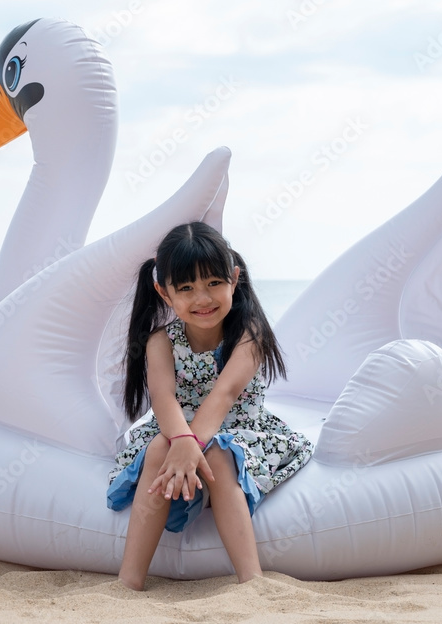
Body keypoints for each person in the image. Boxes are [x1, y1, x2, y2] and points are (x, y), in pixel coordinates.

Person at [107, 221, 314, 590]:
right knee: (159, 448)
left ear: (234, 279)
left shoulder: (249, 334)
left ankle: (251, 579)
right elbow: (163, 398)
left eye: (214, 283)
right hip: (177, 430)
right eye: (186, 288)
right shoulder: (161, 341)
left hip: (237, 431)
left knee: (219, 453)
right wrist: (181, 442)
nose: (202, 299)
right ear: (164, 292)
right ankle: (129, 580)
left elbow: (224, 395)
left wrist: (191, 446)